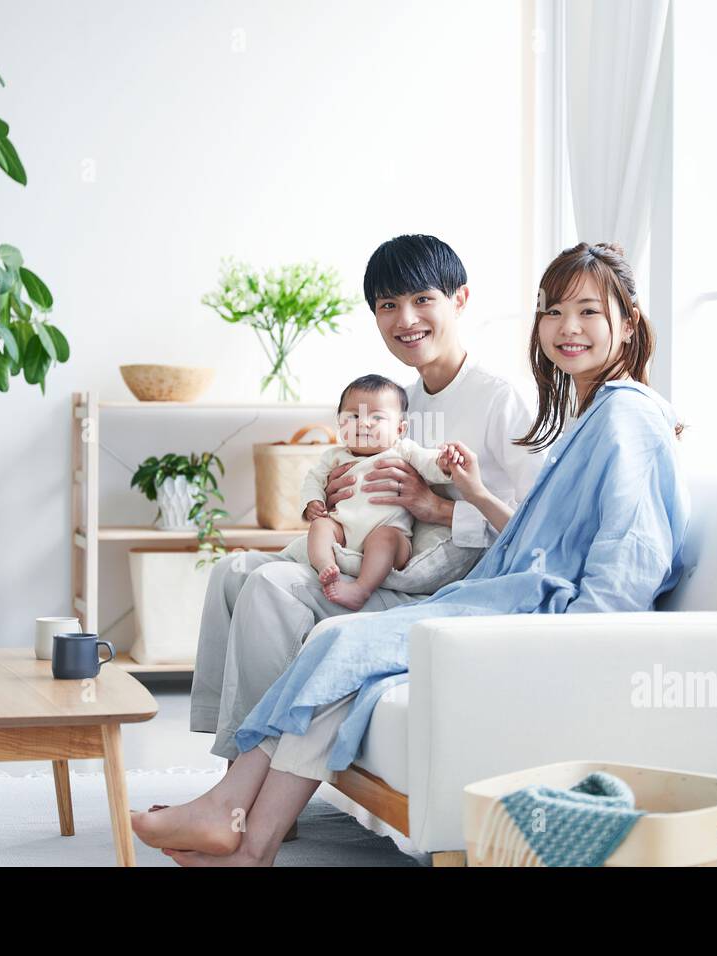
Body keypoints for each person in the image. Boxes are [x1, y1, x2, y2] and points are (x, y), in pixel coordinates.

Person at [134, 241, 691, 866]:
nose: (568, 329)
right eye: (553, 311)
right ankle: (245, 837)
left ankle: (237, 829)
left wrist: (572, 650)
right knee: (316, 627)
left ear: (629, 319)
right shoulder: (590, 411)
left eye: (589, 312)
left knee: (340, 640)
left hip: (522, 613)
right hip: (494, 597)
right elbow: (544, 534)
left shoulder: (626, 418)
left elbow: (630, 557)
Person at [188, 235, 545, 768]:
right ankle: (232, 749)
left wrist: (438, 508)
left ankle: (250, 773)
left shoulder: (502, 398)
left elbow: (539, 525)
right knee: (232, 571)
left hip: (445, 581)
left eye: (423, 299)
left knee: (267, 584)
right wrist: (333, 495)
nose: (406, 318)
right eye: (388, 305)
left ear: (460, 300)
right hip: (376, 550)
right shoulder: (403, 399)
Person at [301, 374, 461, 611]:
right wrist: (313, 501)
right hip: (342, 531)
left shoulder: (403, 450)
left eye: (377, 417)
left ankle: (360, 589)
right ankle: (326, 565)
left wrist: (444, 463)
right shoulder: (334, 456)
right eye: (354, 416)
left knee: (384, 537)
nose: (364, 424)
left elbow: (428, 463)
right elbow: (313, 479)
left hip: (390, 535)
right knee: (321, 526)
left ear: (399, 428)